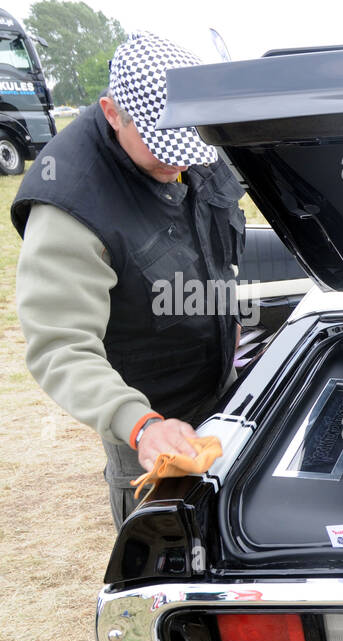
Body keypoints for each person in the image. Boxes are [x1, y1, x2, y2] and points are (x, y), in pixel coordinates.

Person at [11, 32, 245, 528]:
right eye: (163, 148)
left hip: (221, 384)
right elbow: (61, 345)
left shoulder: (189, 149)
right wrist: (139, 425)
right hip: (148, 418)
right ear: (113, 112)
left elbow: (219, 238)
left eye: (188, 144)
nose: (179, 161)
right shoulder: (70, 206)